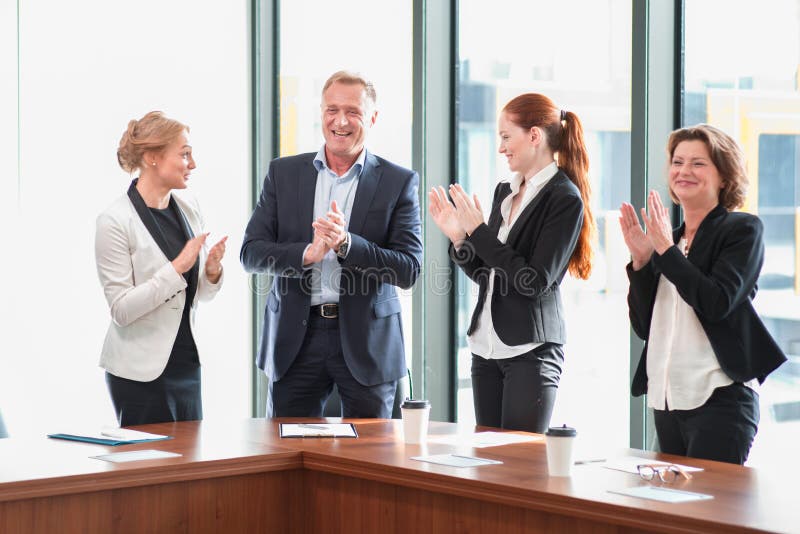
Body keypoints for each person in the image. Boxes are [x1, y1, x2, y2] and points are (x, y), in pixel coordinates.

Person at [241, 71, 423, 418]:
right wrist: (305, 254)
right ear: (321, 113)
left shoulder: (398, 182)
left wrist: (347, 244)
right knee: (286, 454)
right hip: (295, 341)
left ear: (372, 117)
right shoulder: (284, 173)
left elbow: (408, 269)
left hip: (368, 343)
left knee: (372, 460)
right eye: (331, 110)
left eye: (353, 111)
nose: (341, 121)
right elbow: (251, 252)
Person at [619, 124, 787, 464]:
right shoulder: (670, 239)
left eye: (698, 163)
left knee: (707, 512)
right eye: (678, 162)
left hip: (719, 399)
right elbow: (644, 326)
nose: (684, 171)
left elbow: (716, 301)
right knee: (671, 514)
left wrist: (665, 253)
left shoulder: (741, 230)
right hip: (667, 399)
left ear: (724, 176)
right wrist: (641, 262)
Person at [429, 93, 595, 433]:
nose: (501, 148)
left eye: (506, 136)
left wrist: (478, 231)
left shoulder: (563, 198)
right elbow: (488, 274)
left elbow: (533, 282)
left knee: (520, 467)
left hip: (531, 352)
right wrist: (460, 238)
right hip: (485, 349)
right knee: (488, 464)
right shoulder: (505, 191)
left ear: (534, 136)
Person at [96, 111, 227, 426]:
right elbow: (122, 310)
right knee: (151, 471)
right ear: (152, 157)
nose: (192, 163)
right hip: (140, 375)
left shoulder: (188, 208)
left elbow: (197, 296)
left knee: (190, 471)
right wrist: (178, 267)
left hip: (187, 367)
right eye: (184, 154)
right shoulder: (113, 221)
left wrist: (210, 272)